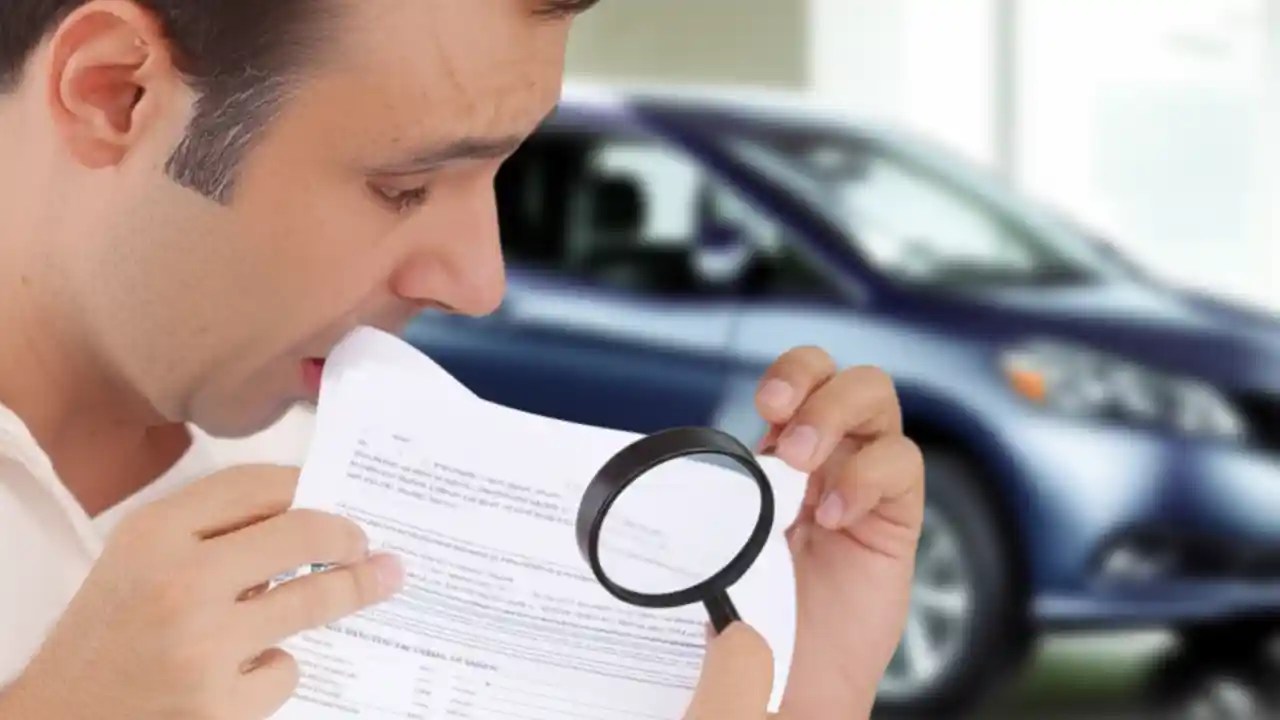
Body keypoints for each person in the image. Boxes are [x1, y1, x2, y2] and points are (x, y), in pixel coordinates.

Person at [0, 1, 926, 718]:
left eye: (499, 173)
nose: (481, 283)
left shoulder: (358, 492)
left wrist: (804, 690)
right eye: (403, 187)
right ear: (115, 93)